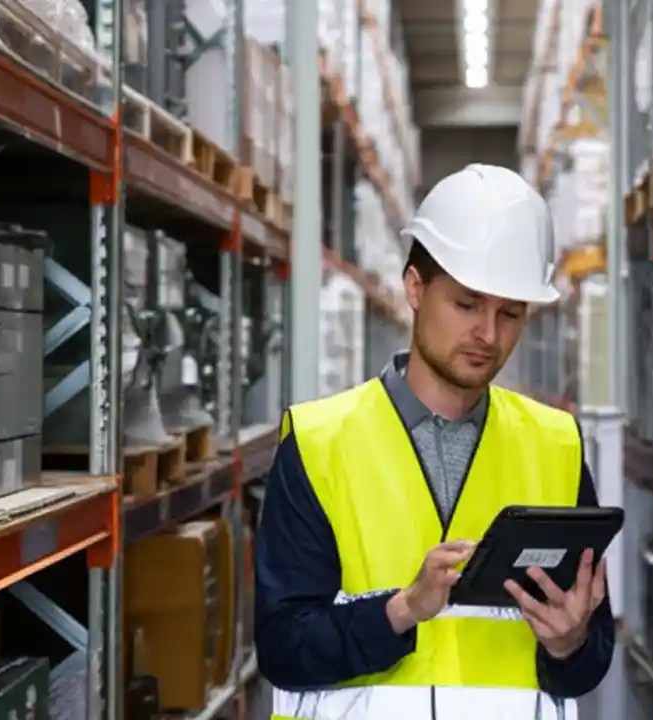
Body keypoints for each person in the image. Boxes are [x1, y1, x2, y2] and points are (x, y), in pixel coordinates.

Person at [253, 164, 616, 720]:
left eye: (510, 313)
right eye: (467, 305)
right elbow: (284, 648)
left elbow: (587, 662)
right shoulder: (319, 443)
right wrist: (400, 610)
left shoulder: (557, 445)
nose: (488, 335)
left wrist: (569, 643)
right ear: (415, 288)